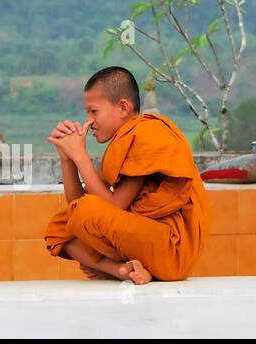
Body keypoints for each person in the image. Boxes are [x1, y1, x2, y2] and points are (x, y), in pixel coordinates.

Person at [44, 66, 211, 284]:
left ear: (123, 107)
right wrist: (67, 159)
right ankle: (121, 270)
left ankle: (125, 267)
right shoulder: (121, 144)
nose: (89, 121)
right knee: (59, 227)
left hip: (171, 248)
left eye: (94, 111)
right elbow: (78, 207)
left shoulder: (144, 135)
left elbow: (113, 207)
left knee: (85, 212)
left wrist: (80, 156)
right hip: (144, 240)